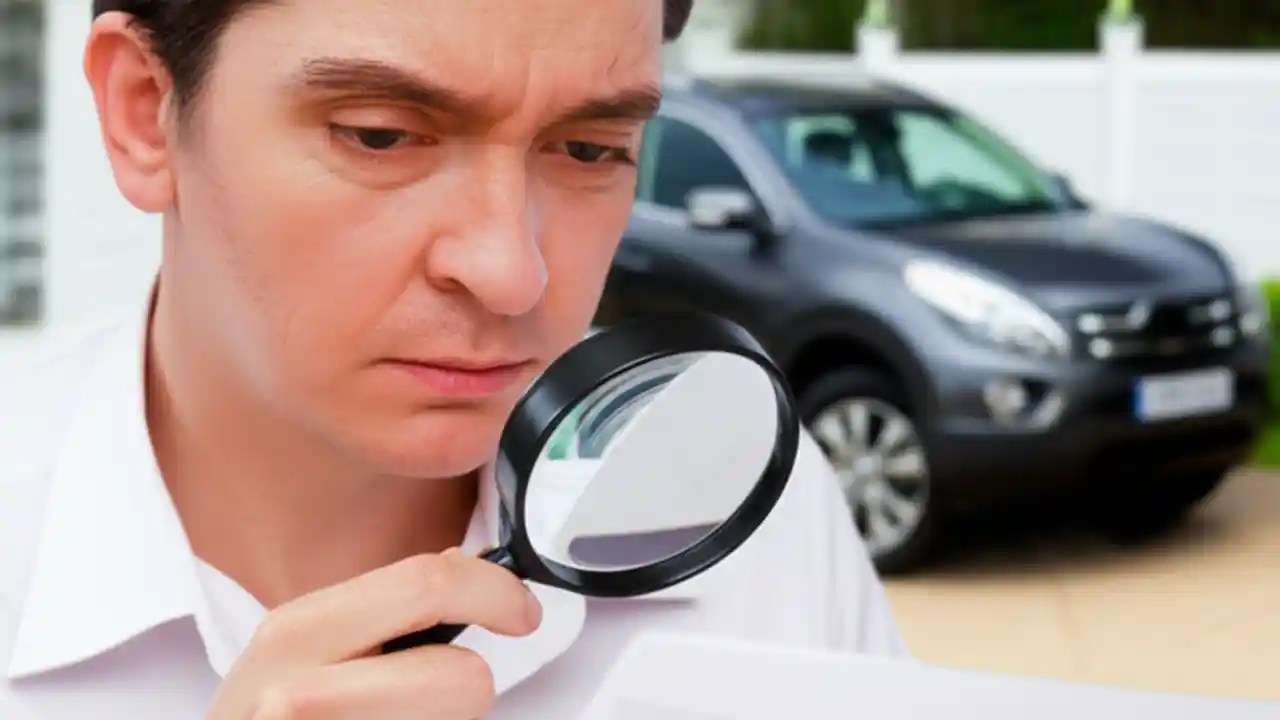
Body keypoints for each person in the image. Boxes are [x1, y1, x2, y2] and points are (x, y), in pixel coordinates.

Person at [0, 1, 907, 717]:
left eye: (591, 150)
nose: (511, 272)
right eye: (380, 134)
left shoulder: (750, 519)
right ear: (143, 116)